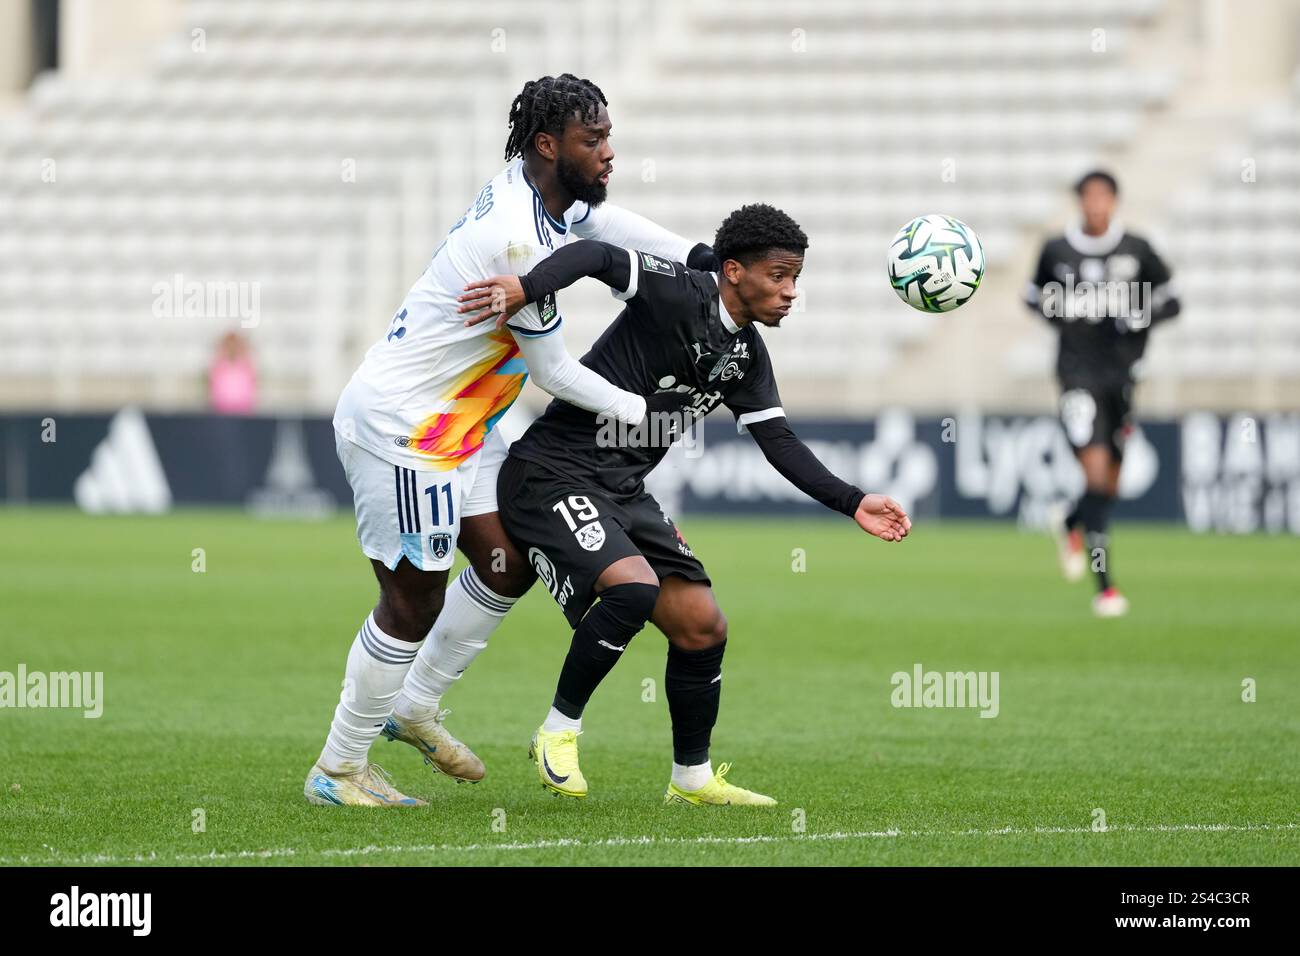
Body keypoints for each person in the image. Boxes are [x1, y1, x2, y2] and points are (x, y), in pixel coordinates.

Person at [305, 74, 716, 807]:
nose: (611, 152)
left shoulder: (542, 195)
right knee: (411, 601)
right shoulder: (516, 241)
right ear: (548, 145)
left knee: (507, 561)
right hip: (409, 428)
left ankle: (416, 707)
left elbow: (615, 229)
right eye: (595, 141)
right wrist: (643, 407)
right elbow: (554, 370)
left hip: (461, 427)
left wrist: (701, 261)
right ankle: (338, 769)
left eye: (609, 136)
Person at [459, 203, 911, 805]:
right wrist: (528, 286)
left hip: (623, 490)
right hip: (550, 473)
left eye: (795, 278)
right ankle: (557, 731)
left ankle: (690, 779)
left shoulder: (746, 356)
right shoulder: (676, 292)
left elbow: (778, 442)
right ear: (733, 271)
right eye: (778, 276)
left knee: (702, 624)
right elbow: (596, 255)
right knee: (632, 589)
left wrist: (852, 502)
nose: (790, 292)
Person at [1024, 170, 1180, 617]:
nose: (1096, 205)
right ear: (1079, 202)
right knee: (1094, 476)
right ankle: (1105, 588)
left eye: (1103, 197)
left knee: (1109, 485)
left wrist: (1141, 314)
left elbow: (1174, 298)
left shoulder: (1136, 249)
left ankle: (1071, 520)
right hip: (1076, 377)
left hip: (1123, 378)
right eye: (1088, 197)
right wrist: (1062, 309)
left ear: (1114, 202)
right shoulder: (1057, 250)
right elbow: (1032, 296)